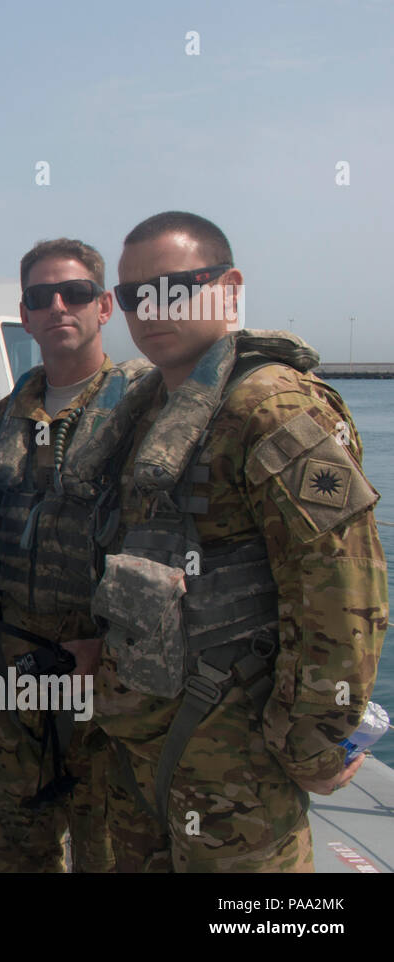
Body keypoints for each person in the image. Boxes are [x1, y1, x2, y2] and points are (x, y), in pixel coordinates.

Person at [90, 211, 387, 871]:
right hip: (144, 742)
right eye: (136, 294)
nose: (150, 308)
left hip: (237, 767)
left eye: (173, 286)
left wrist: (313, 744)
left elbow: (341, 592)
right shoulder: (149, 411)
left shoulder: (278, 411)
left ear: (229, 287)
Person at [0, 239, 148, 872]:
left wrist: (114, 649)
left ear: (105, 306)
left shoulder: (147, 411)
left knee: (112, 847)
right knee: (17, 839)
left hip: (111, 677)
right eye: (41, 297)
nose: (58, 306)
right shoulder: (4, 420)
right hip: (17, 667)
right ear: (26, 314)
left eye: (75, 293)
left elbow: (174, 552)